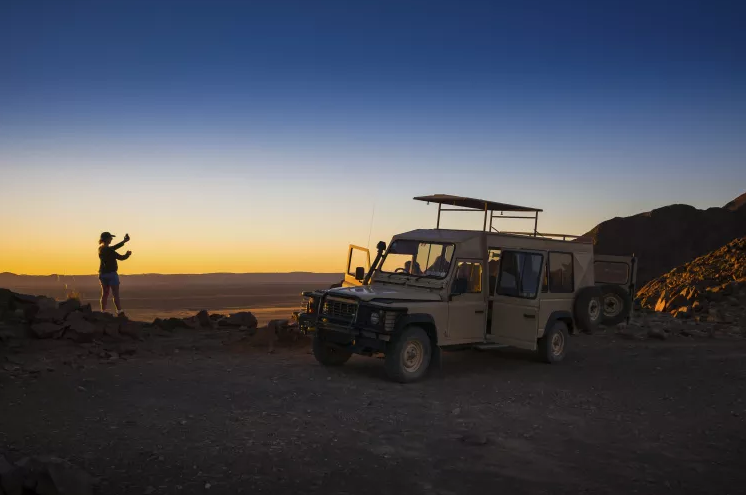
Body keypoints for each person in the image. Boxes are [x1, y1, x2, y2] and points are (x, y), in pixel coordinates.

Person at [98, 231, 132, 314]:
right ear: (106, 239)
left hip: (102, 274)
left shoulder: (101, 249)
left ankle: (103, 311)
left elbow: (114, 247)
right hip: (112, 274)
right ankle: (119, 311)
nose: (111, 239)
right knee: (115, 294)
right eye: (110, 238)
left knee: (105, 294)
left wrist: (124, 241)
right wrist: (127, 254)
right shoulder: (109, 250)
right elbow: (121, 257)